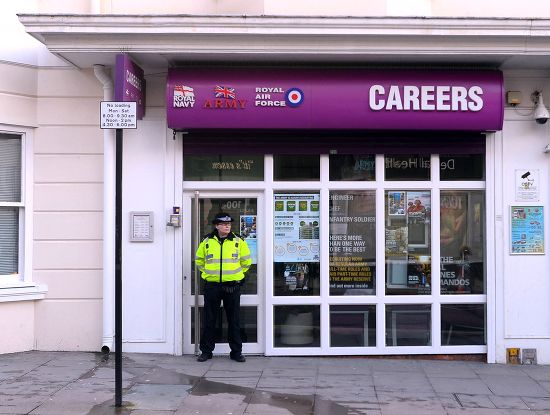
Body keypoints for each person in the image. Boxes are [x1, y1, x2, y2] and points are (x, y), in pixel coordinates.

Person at [195, 212, 251, 362]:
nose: (227, 226)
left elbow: (246, 262)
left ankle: (236, 352)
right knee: (209, 319)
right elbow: (199, 261)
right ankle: (206, 352)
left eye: (229, 224)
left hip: (232, 287)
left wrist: (236, 277)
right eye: (224, 224)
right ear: (216, 226)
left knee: (234, 320)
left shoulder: (238, 241)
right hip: (212, 286)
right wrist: (208, 274)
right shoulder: (206, 242)